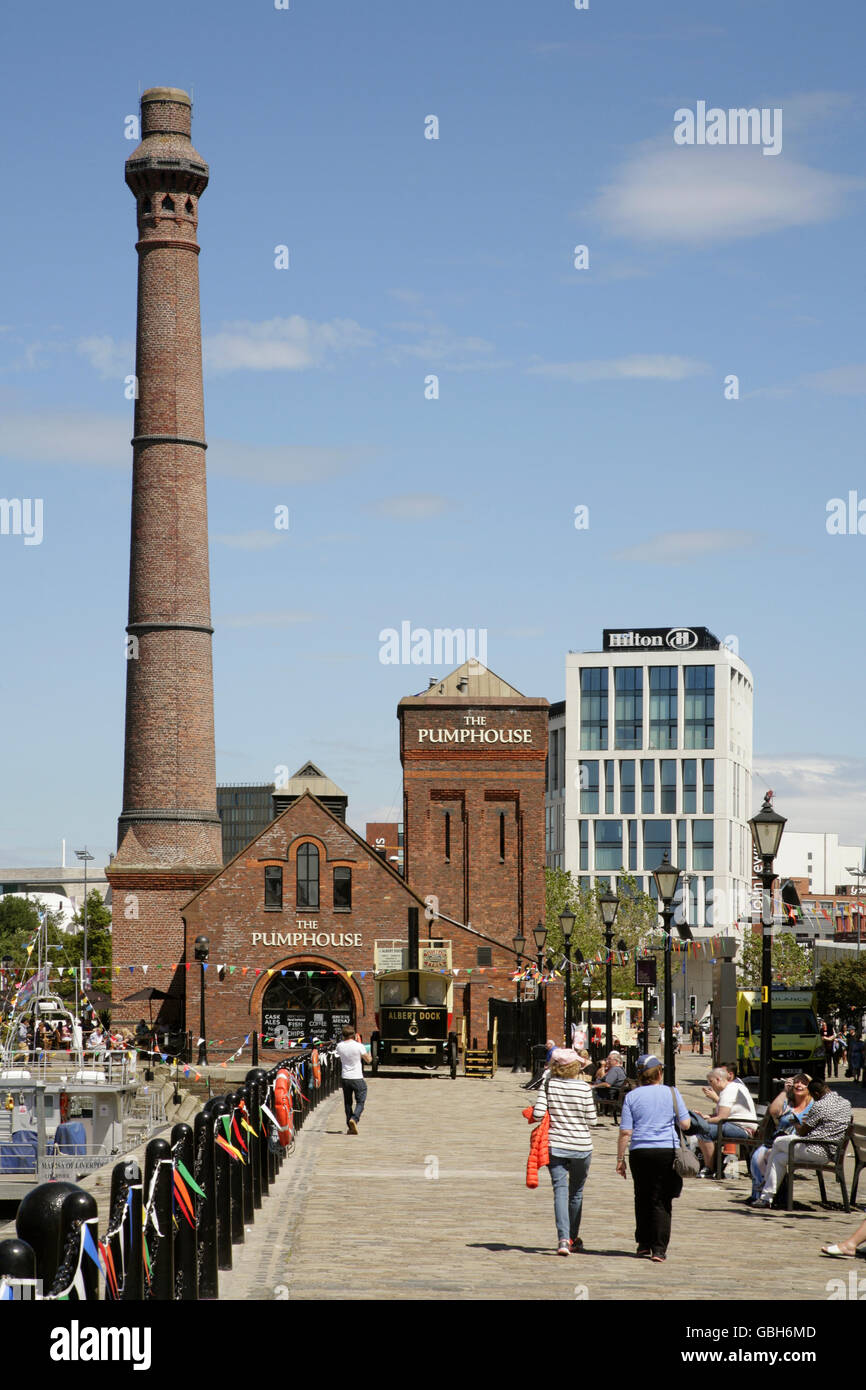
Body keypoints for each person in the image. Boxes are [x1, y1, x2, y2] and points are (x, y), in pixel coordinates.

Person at [616, 1054, 692, 1262]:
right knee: (662, 1199)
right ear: (659, 1073)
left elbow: (625, 1132)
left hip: (640, 1151)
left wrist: (620, 1158)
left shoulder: (632, 1096)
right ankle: (659, 1248)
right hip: (666, 1150)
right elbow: (685, 1124)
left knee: (641, 1197)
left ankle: (643, 1243)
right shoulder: (672, 1092)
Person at [531, 1048, 598, 1256]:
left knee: (560, 1191)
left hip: (556, 1144)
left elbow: (538, 1113)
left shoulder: (549, 1085)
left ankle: (562, 1239)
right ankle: (572, 1237)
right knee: (576, 1193)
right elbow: (593, 1120)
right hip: (581, 1146)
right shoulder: (584, 1088)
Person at [749, 1079, 852, 1210]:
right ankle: (766, 1198)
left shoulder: (820, 1105)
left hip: (815, 1149)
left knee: (778, 1142)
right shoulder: (845, 1103)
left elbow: (803, 1132)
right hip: (830, 1151)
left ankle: (764, 1184)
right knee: (778, 1158)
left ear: (816, 1093)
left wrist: (796, 1123)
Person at [747, 1073, 813, 1204]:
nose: (799, 1085)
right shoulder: (789, 1103)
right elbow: (773, 1111)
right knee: (758, 1156)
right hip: (778, 1142)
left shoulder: (813, 1105)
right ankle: (760, 1194)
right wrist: (784, 1091)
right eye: (797, 1082)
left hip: (799, 1144)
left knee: (770, 1154)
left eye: (804, 1082)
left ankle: (771, 1194)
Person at [687, 1066, 758, 1176]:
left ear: (718, 1079)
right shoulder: (735, 1086)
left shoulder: (728, 1091)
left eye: (711, 1081)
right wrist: (706, 1117)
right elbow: (723, 1115)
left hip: (741, 1127)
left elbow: (721, 1117)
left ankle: (709, 1168)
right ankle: (712, 1164)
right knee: (705, 1127)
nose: (710, 1085)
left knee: (704, 1131)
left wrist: (705, 1121)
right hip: (740, 1124)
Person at [335, 1024, 370, 1135]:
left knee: (348, 1103)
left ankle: (350, 1127)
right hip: (357, 1077)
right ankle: (354, 1119)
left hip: (345, 1077)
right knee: (360, 1101)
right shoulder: (359, 1046)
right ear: (354, 1035)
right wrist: (369, 1054)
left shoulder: (339, 1046)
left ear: (343, 1035)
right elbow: (368, 1060)